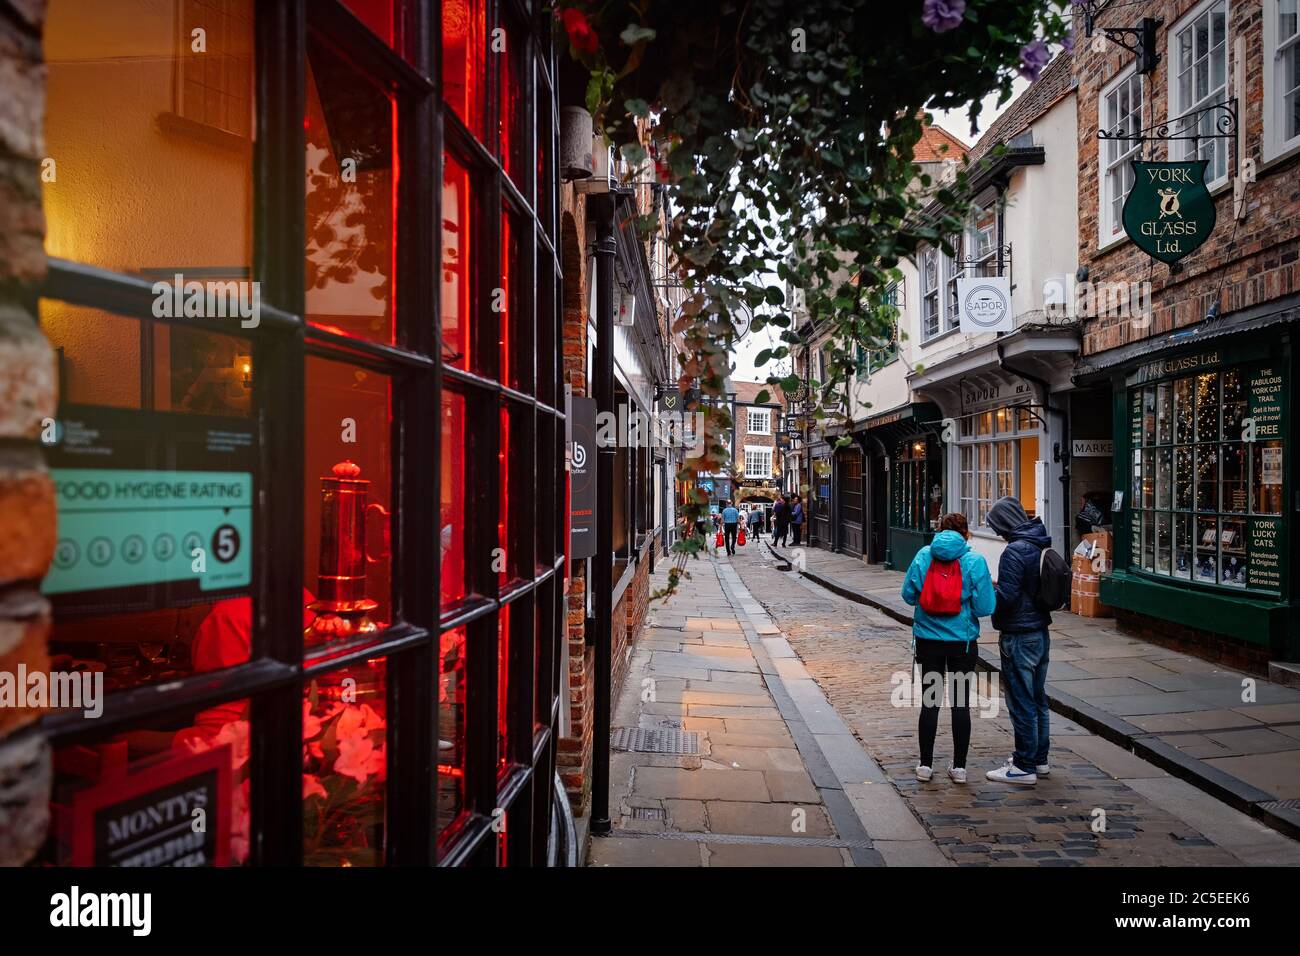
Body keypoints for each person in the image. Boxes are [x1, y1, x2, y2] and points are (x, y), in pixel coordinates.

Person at [900, 513, 995, 784]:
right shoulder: (975, 561)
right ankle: (959, 768)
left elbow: (908, 595)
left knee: (930, 702)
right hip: (961, 645)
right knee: (960, 704)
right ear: (966, 533)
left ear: (939, 530)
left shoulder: (924, 555)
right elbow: (985, 607)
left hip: (928, 642)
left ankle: (925, 765)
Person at [985, 495, 1053, 786]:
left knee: (1021, 701)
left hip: (1019, 634)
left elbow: (1008, 598)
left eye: (996, 526)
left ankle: (1024, 766)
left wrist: (989, 592)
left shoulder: (1014, 551)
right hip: (1039, 631)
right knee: (1038, 699)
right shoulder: (1037, 542)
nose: (996, 532)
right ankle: (1039, 759)